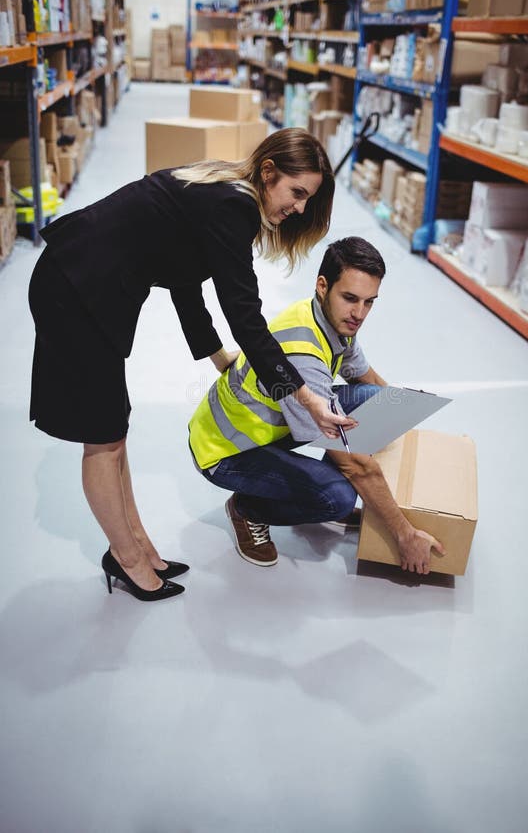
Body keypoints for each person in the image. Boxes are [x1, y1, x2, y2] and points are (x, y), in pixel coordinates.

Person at [28, 128, 355, 601]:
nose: (300, 208)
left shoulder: (222, 186)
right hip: (77, 288)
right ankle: (126, 557)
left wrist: (217, 354)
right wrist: (304, 395)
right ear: (268, 173)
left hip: (86, 281)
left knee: (113, 430)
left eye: (308, 198)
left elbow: (184, 277)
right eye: (297, 192)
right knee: (101, 438)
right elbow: (246, 316)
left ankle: (139, 548)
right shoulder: (234, 208)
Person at [188, 236, 446, 575]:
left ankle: (313, 482)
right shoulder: (303, 352)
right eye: (350, 298)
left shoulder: (330, 318)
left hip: (270, 426)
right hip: (228, 449)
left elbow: (368, 380)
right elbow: (357, 467)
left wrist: (405, 417)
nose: (359, 313)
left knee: (375, 400)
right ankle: (247, 509)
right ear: (323, 286)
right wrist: (404, 533)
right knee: (338, 497)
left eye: (369, 302)